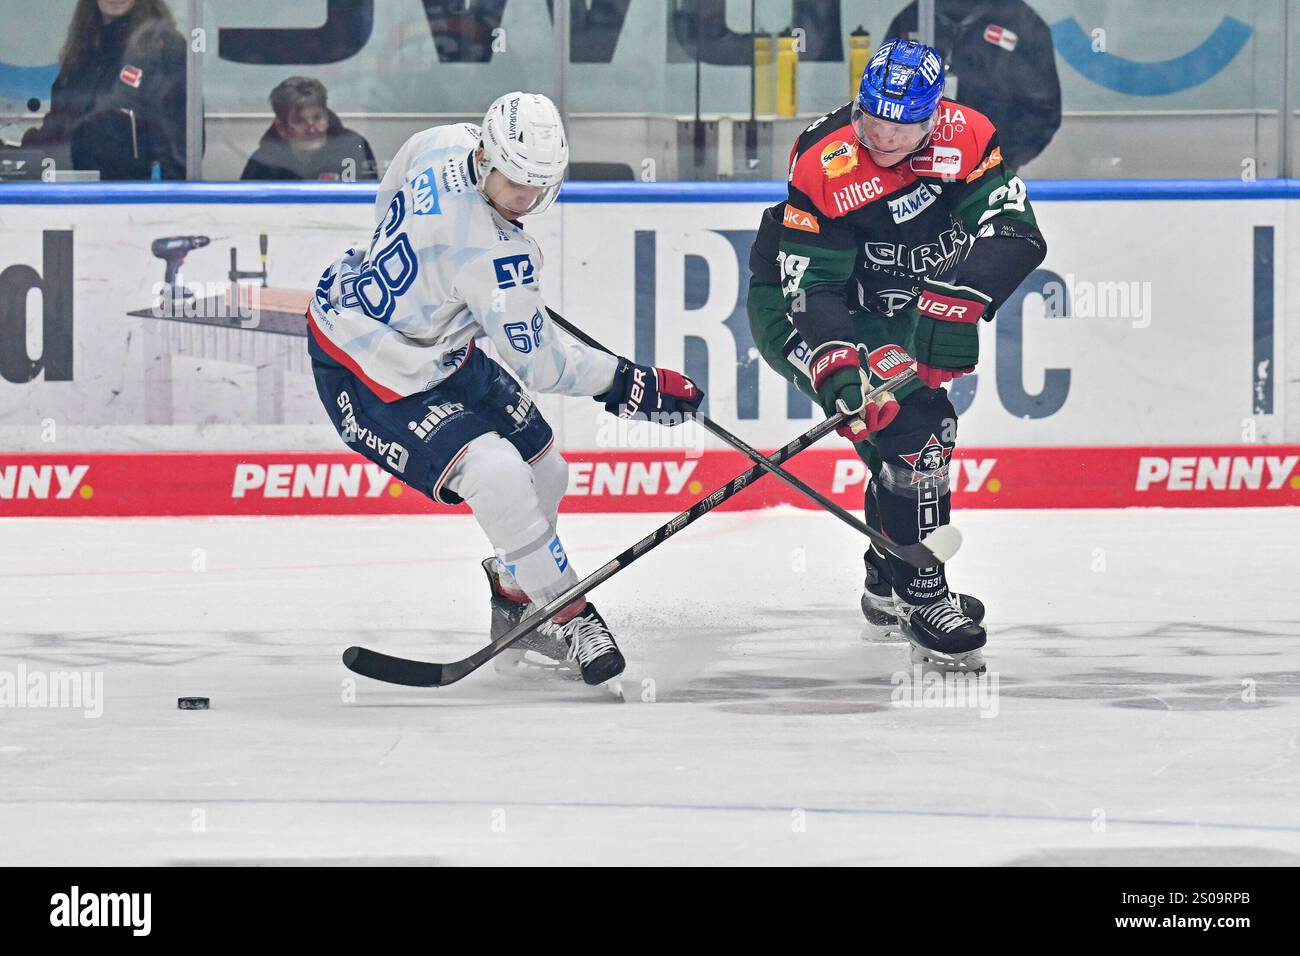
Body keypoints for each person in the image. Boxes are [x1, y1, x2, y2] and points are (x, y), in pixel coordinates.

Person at [307, 92, 703, 689]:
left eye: (539, 187)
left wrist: (446, 286)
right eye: (514, 182)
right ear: (487, 153)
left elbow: (391, 192)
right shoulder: (498, 257)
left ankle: (515, 593)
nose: (524, 199)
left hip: (438, 351)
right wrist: (631, 382)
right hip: (366, 369)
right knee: (493, 472)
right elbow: (541, 366)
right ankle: (569, 613)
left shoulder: (443, 140)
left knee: (546, 472)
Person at [746, 39, 1046, 673]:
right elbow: (814, 287)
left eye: (898, 123)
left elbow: (1016, 234)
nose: (878, 135)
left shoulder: (968, 139)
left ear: (933, 117)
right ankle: (923, 590)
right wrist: (838, 369)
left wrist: (959, 302)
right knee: (917, 431)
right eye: (870, 116)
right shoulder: (825, 160)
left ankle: (887, 582)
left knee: (907, 438)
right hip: (802, 305)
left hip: (891, 312)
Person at [885, 0, 1061, 169]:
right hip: (916, 171)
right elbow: (882, 100)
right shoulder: (914, 18)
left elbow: (1043, 108)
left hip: (991, 170)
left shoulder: (1022, 22)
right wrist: (903, 157)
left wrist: (1001, 158)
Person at [22, 0, 186, 180]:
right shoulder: (83, 50)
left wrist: (169, 202)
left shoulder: (162, 46)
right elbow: (60, 125)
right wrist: (19, 155)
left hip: (133, 197)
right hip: (76, 192)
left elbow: (177, 150)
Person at [240, 77, 377, 182]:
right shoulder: (262, 162)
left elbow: (371, 203)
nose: (312, 129)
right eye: (300, 121)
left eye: (317, 118)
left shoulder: (354, 148)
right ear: (282, 128)